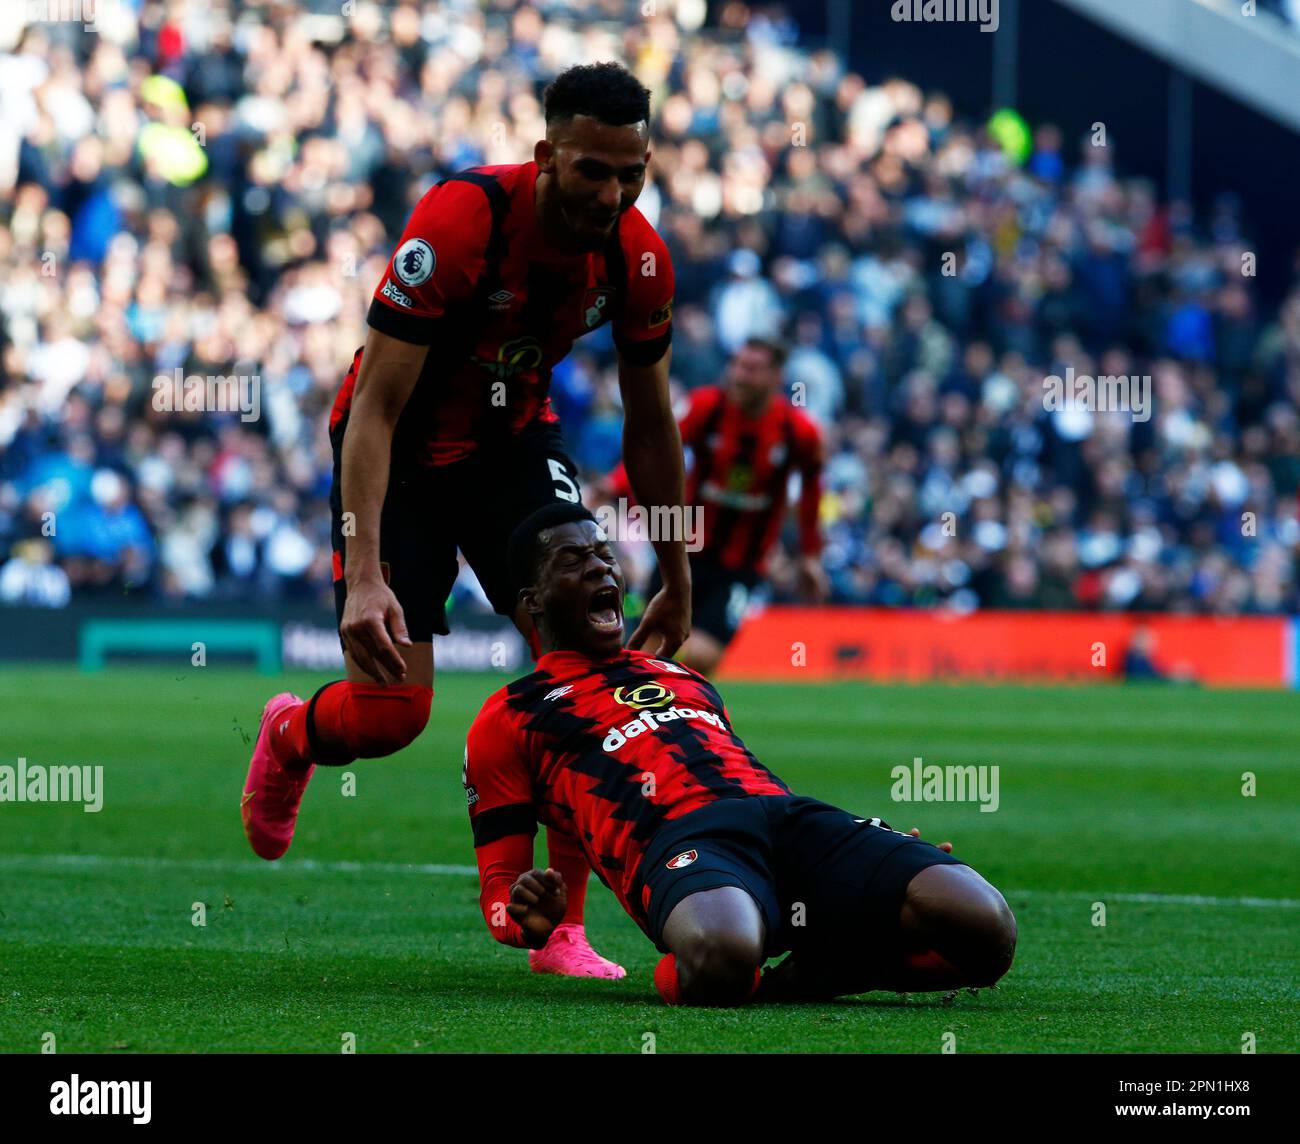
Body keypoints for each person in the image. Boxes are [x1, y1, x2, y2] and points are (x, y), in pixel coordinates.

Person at [240, 62, 693, 981]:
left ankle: (558, 925)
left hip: (512, 447)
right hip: (398, 455)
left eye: (632, 173)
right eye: (592, 172)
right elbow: (374, 407)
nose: (612, 194)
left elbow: (651, 425)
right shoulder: (459, 223)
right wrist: (364, 574)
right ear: (546, 156)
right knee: (393, 715)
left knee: (587, 668)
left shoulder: (639, 261)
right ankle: (293, 735)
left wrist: (682, 575)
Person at [464, 503, 1017, 1005]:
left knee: (984, 928)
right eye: (572, 561)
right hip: (675, 840)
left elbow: (743, 773)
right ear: (531, 601)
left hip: (787, 818)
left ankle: (815, 972)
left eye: (604, 554)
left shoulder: (679, 674)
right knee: (720, 955)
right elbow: (498, 890)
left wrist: (867, 854)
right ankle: (781, 970)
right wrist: (523, 923)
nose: (600, 569)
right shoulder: (509, 716)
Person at [603, 337, 827, 675]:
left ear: (775, 377)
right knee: (645, 645)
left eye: (751, 369)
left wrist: (810, 556)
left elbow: (812, 489)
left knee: (703, 657)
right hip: (682, 553)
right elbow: (656, 448)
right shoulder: (706, 407)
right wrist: (613, 485)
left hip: (743, 566)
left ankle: (661, 692)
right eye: (736, 364)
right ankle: (652, 708)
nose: (738, 375)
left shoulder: (797, 432)